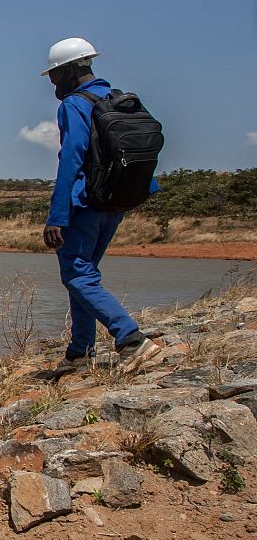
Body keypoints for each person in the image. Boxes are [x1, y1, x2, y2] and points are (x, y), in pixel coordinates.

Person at [40, 37, 160, 374]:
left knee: (78, 276)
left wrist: (57, 215)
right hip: (116, 202)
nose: (51, 81)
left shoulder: (75, 104)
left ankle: (131, 339)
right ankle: (80, 351)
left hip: (86, 203)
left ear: (71, 68)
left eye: (54, 73)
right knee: (83, 275)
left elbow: (71, 158)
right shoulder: (118, 98)